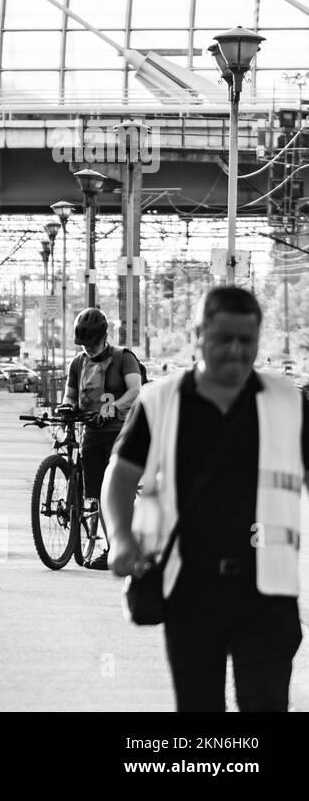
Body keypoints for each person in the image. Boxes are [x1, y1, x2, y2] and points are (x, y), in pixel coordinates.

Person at [105, 286, 309, 711]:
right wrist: (121, 539)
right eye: (223, 340)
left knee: (266, 705)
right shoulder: (160, 401)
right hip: (190, 589)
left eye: (246, 341)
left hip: (268, 590)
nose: (236, 351)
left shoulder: (289, 402)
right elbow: (120, 476)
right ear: (196, 335)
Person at [61, 306, 143, 569]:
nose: (88, 349)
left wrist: (114, 407)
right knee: (96, 494)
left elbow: (135, 390)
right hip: (92, 434)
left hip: (119, 432)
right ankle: (111, 546)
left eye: (93, 343)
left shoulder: (123, 357)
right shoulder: (77, 363)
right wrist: (65, 407)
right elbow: (70, 396)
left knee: (115, 491)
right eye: (84, 344)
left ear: (103, 337)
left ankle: (117, 548)